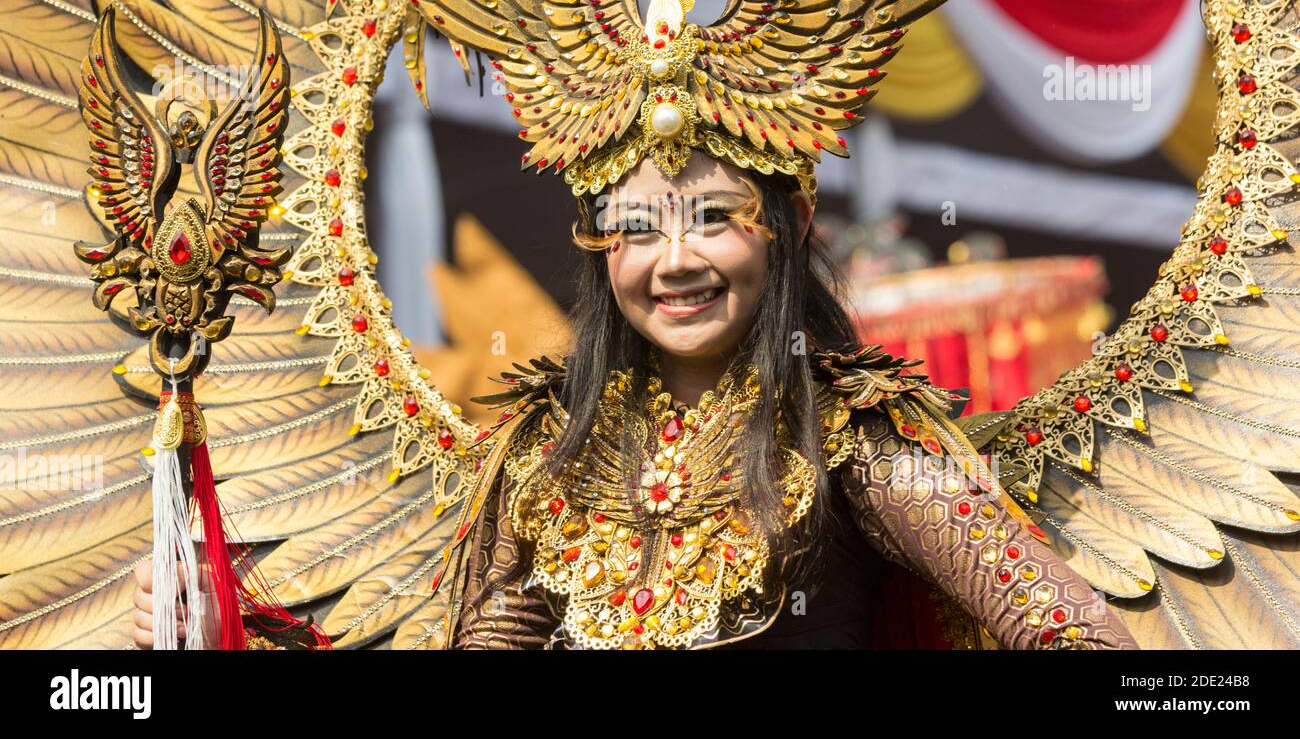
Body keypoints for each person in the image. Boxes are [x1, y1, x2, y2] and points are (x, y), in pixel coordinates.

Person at [134, 148, 1138, 650]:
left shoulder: (854, 441)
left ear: (783, 224)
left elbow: (1074, 635)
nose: (675, 260)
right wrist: (230, 629)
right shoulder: (545, 457)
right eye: (635, 228)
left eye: (711, 217)